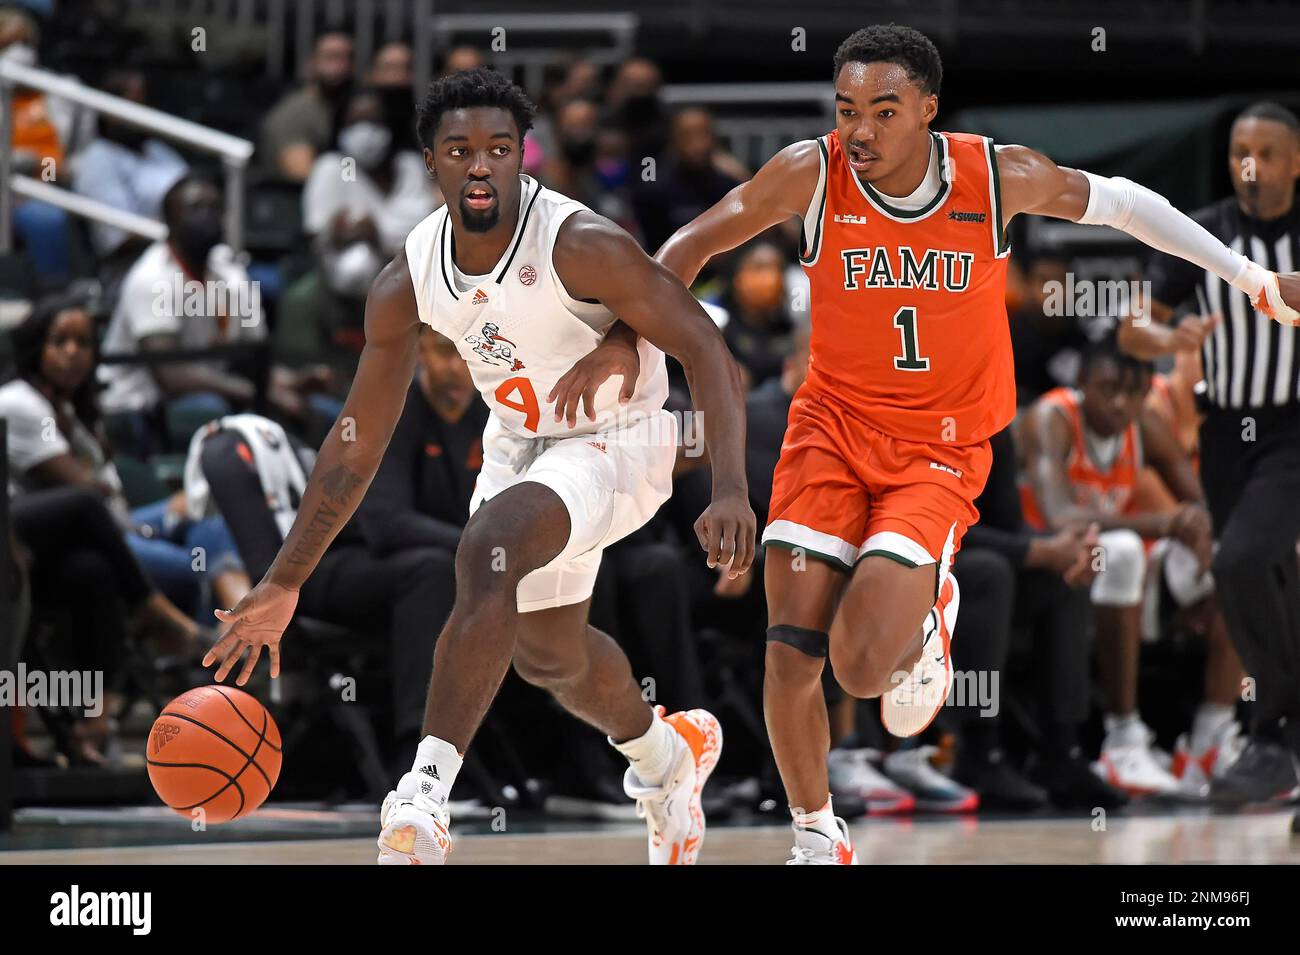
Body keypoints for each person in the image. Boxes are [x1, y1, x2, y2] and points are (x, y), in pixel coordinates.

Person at [648, 24, 1300, 864]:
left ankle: (929, 613)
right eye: (847, 109)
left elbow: (1134, 207)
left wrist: (1251, 279)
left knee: (857, 669)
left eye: (884, 111)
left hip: (939, 446)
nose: (861, 131)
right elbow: (692, 244)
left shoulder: (994, 176)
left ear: (928, 109)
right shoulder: (811, 173)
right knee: (790, 649)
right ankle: (817, 836)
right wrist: (624, 341)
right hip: (831, 430)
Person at [202, 67, 755, 866]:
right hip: (521, 441)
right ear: (433, 162)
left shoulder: (581, 243)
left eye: (499, 148)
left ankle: (423, 795)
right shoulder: (408, 280)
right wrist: (285, 580)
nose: (482, 165)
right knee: (548, 654)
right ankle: (666, 759)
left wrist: (729, 487)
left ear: (521, 158)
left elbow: (703, 341)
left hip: (622, 434)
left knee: (485, 546)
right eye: (460, 150)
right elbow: (355, 440)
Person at [1117, 102, 1300, 812]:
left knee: (1240, 560)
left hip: (1291, 430)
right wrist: (1166, 341)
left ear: (1294, 162)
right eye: (1237, 152)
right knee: (1268, 580)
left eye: (1265, 152)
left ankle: (1271, 731)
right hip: (1225, 431)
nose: (1249, 165)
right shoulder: (1206, 234)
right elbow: (1134, 327)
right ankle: (1278, 741)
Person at [1021, 338, 1234, 797]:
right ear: (1081, 383)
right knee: (1122, 549)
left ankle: (1208, 741)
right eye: (1109, 389)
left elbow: (1200, 508)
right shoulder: (1051, 418)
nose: (1121, 403)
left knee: (1237, 558)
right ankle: (1122, 739)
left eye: (1134, 392)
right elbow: (1058, 515)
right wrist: (1159, 523)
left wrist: (1205, 568)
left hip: (1110, 573)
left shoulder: (1144, 424)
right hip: (1044, 564)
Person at [1, 294, 248, 621]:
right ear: (36, 347)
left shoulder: (69, 406)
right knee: (191, 569)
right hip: (83, 534)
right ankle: (217, 646)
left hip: (120, 520)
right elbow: (84, 491)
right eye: (59, 341)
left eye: (83, 342)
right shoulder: (21, 404)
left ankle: (239, 619)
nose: (72, 352)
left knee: (202, 509)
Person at [259, 31, 354, 183]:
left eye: (347, 58)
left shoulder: (350, 108)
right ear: (312, 62)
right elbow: (302, 175)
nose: (340, 67)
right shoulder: (295, 114)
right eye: (331, 57)